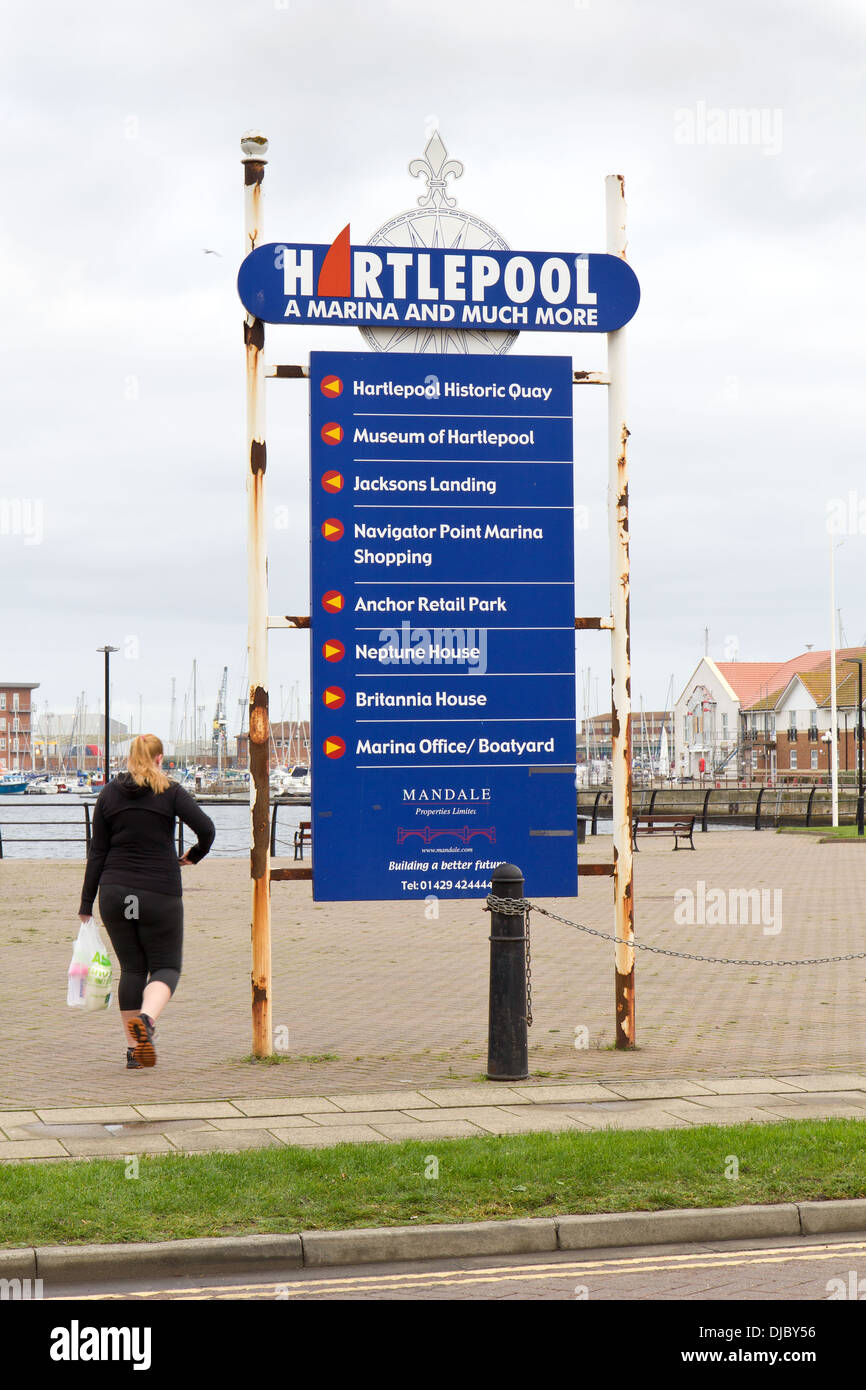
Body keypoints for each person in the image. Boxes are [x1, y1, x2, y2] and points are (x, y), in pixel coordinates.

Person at [78, 733, 216, 1069]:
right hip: (159, 892)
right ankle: (148, 1020)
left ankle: (133, 1051)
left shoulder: (109, 793)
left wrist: (86, 904)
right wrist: (193, 856)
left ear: (129, 757)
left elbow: (97, 851)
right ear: (159, 759)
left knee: (132, 969)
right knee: (166, 967)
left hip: (116, 892)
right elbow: (206, 829)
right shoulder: (169, 790)